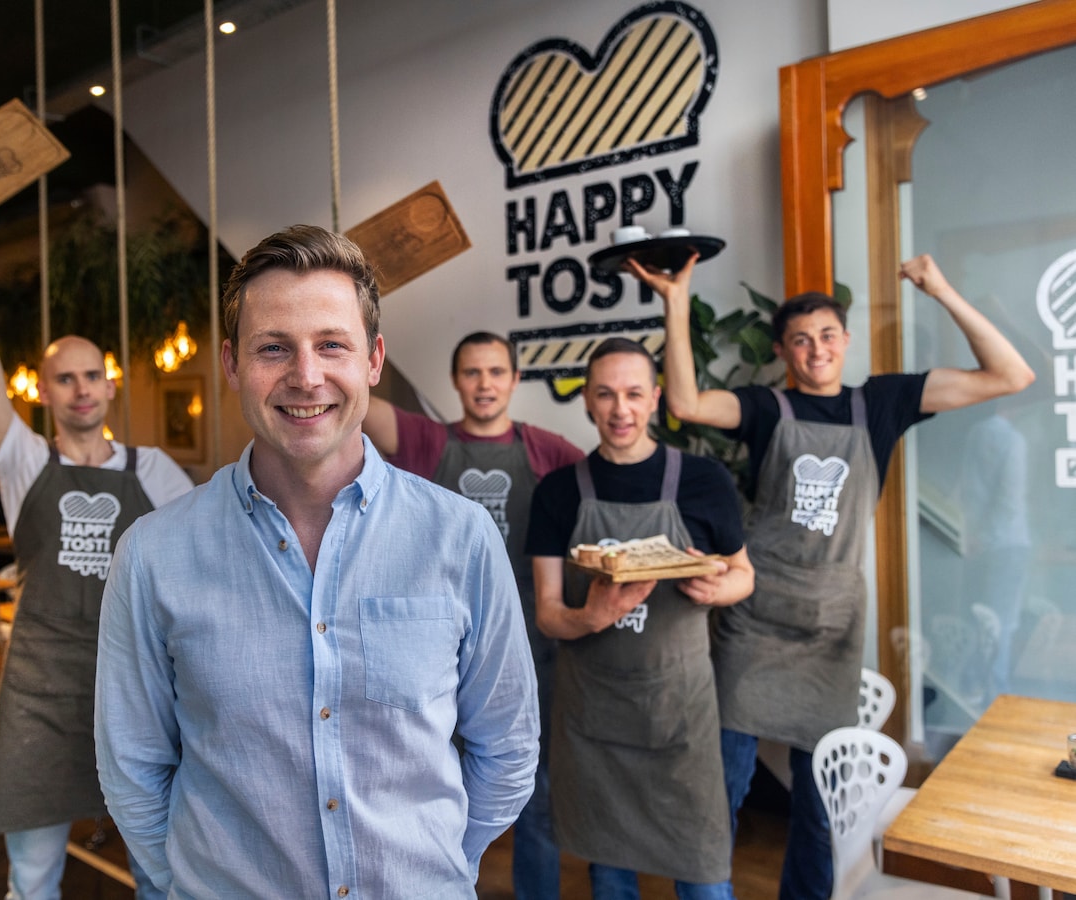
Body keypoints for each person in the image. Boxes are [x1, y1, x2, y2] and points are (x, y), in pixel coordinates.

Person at [94, 224, 540, 898]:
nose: (306, 376)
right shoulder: (153, 555)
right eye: (273, 348)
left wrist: (436, 865)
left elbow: (505, 749)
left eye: (331, 344)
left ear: (372, 360)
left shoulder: (461, 537)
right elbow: (133, 764)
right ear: (231, 364)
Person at [642, 250, 1034, 900]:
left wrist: (939, 288)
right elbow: (683, 403)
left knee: (821, 798)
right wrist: (676, 299)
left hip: (831, 627)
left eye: (826, 336)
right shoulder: (766, 408)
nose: (815, 349)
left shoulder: (880, 402)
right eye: (800, 340)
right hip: (754, 619)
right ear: (782, 351)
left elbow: (1010, 374)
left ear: (844, 341)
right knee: (723, 787)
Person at [0, 173, 194, 900]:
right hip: (40, 686)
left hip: (134, 686)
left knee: (162, 871)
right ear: (43, 392)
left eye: (92, 375)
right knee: (33, 878)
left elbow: (200, 565)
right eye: (64, 378)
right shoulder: (23, 461)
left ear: (110, 384)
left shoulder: (155, 471)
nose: (80, 389)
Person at [526, 337, 755, 899]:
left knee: (704, 872)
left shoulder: (703, 481)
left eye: (633, 394)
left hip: (680, 712)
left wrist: (716, 589)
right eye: (605, 394)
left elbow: (745, 574)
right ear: (587, 400)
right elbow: (550, 615)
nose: (620, 409)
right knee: (609, 874)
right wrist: (591, 615)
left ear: (655, 398)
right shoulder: (559, 492)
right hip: (595, 716)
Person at [362, 331, 583, 899]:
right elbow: (354, 394)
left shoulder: (545, 450)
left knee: (531, 790)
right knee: (429, 783)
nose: (484, 384)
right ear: (456, 382)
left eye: (495, 372)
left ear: (513, 380)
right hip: (435, 650)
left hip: (529, 649)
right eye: (472, 373)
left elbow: (608, 483)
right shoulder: (426, 441)